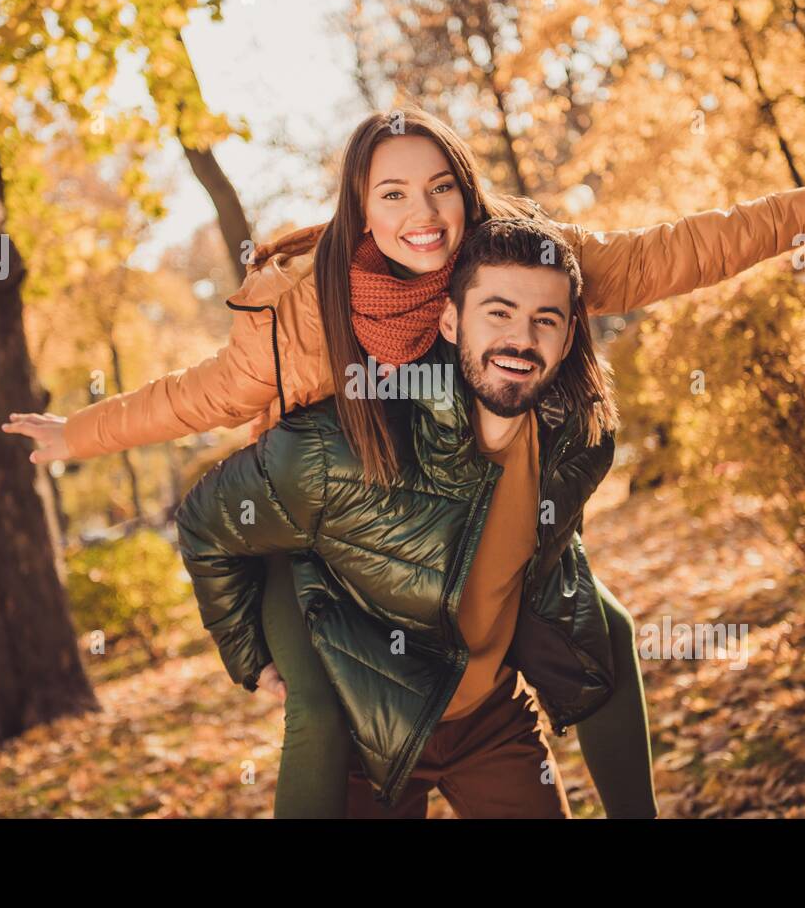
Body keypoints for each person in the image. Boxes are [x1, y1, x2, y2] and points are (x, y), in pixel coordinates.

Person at [3, 109, 805, 816]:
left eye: (439, 188)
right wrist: (77, 434)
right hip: (308, 529)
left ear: (464, 191)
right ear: (361, 207)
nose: (422, 214)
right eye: (392, 195)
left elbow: (667, 254)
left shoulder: (505, 262)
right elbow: (193, 397)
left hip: (451, 517)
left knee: (609, 632)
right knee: (319, 717)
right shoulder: (309, 312)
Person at [177, 217, 621, 816]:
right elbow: (206, 522)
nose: (521, 339)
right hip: (370, 735)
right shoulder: (344, 445)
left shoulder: (577, 443)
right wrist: (251, 660)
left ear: (568, 338)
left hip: (493, 722)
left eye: (545, 320)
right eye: (498, 312)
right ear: (449, 320)